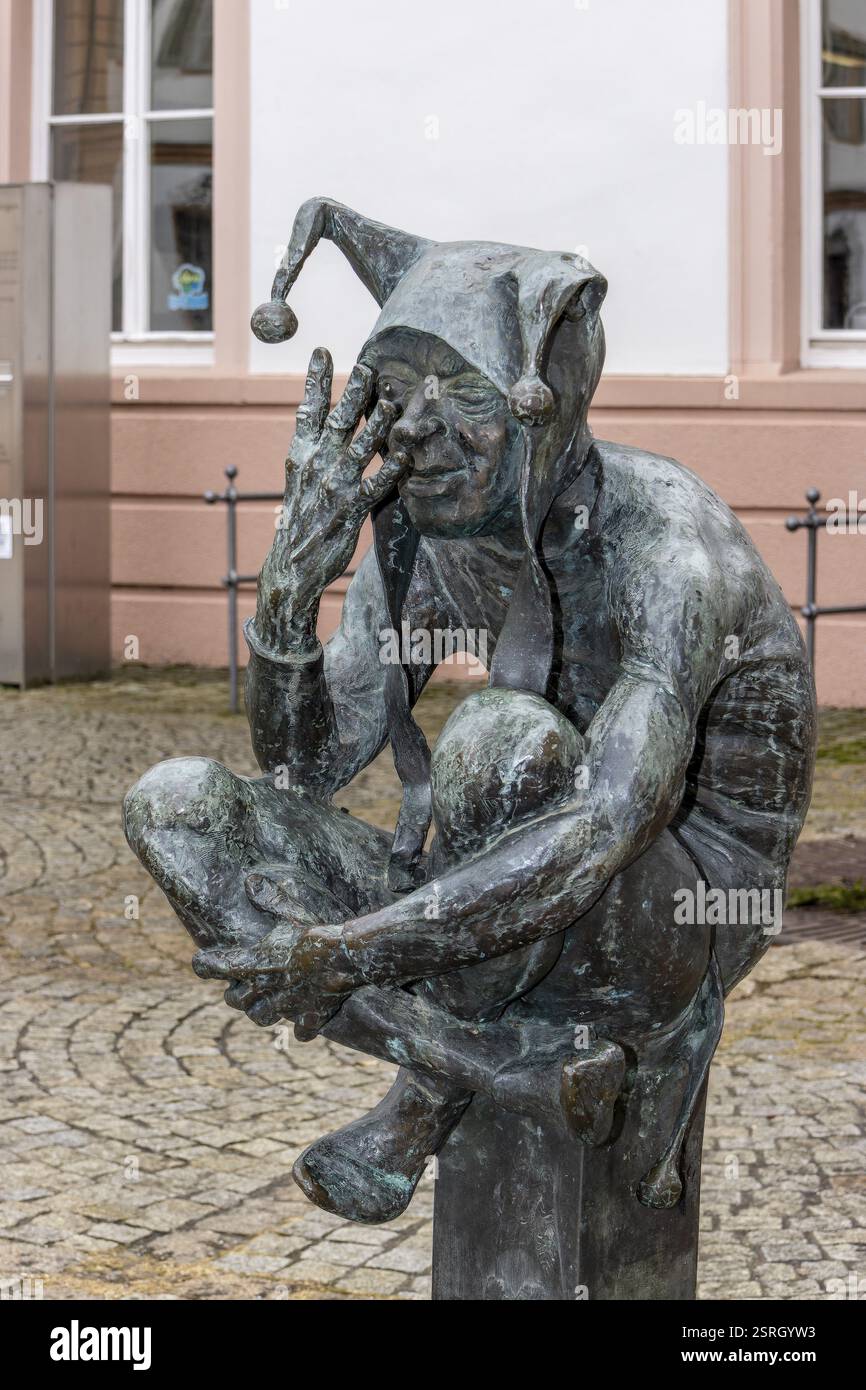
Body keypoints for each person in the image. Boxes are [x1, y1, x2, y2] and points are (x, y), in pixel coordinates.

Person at [124, 200, 815, 1224]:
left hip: (674, 911)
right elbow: (300, 767)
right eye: (394, 392)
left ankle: (431, 1085)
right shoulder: (423, 536)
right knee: (175, 803)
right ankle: (484, 1062)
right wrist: (284, 594)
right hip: (489, 878)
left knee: (497, 739)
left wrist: (347, 951)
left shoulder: (664, 543)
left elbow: (600, 828)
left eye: (464, 397)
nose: (415, 431)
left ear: (546, 406)